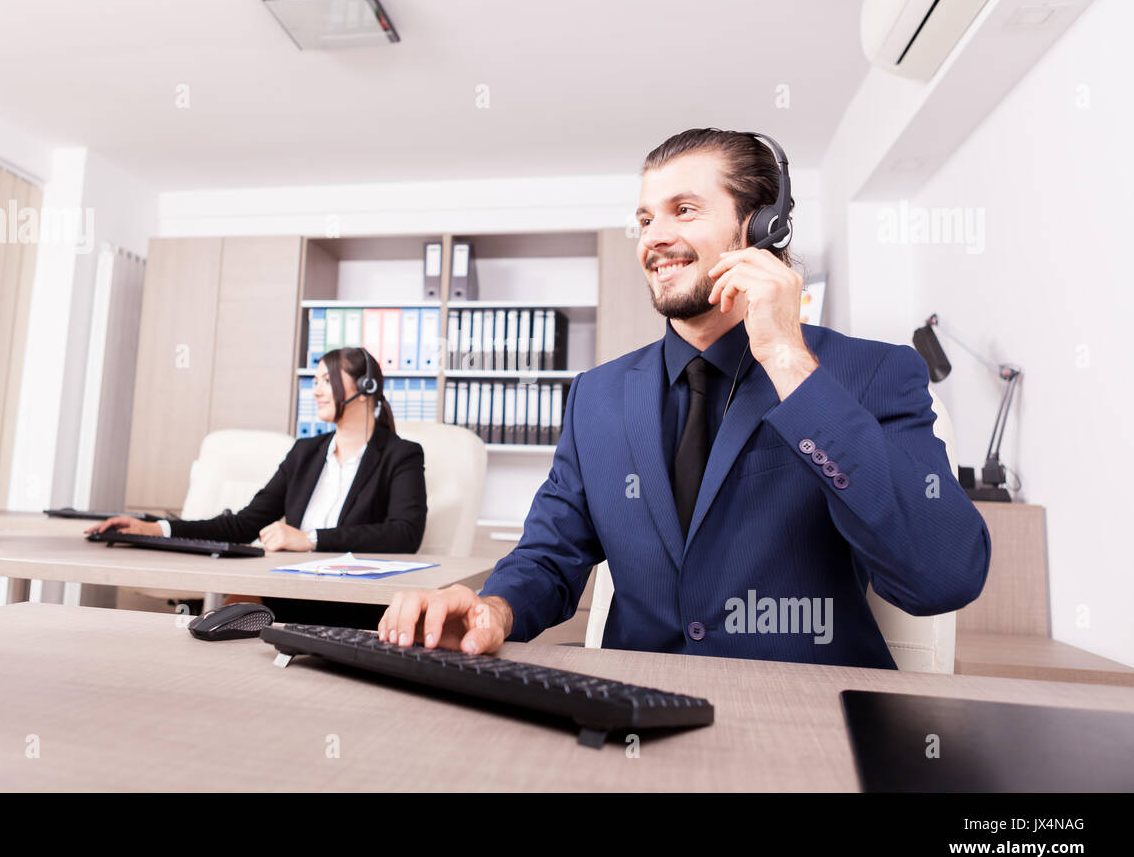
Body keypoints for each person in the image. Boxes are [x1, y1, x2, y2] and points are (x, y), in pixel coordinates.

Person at [377, 128, 990, 670]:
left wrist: (785, 357)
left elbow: (941, 573)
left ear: (761, 227)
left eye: (685, 210)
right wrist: (495, 608)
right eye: (645, 220)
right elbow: (552, 552)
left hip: (803, 723)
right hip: (632, 716)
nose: (655, 238)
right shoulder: (599, 395)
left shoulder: (868, 371)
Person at [90, 346, 427, 621]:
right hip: (287, 587)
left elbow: (404, 533)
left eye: (327, 379)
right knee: (217, 624)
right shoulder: (305, 452)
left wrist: (308, 539)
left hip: (353, 600)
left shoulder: (400, 455)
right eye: (315, 380)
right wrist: (155, 530)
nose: (317, 389)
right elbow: (244, 523)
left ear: (365, 387)